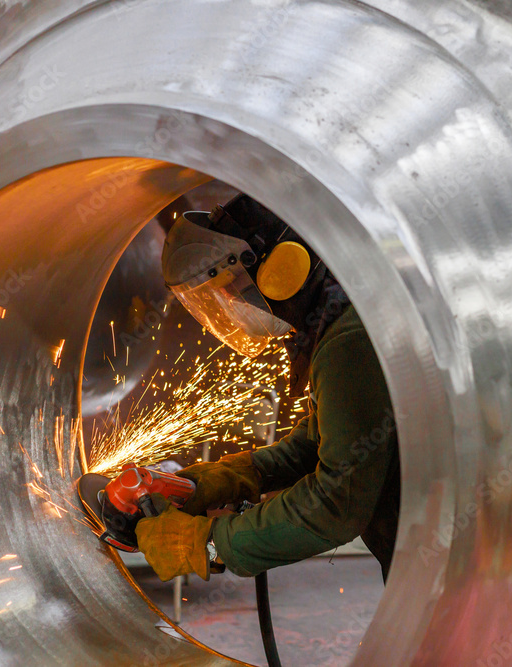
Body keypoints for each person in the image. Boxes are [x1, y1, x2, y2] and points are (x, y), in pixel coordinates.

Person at [135, 195, 401, 584]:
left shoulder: (349, 342)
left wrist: (207, 543)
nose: (228, 302)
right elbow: (317, 445)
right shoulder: (344, 318)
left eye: (229, 287)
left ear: (280, 267)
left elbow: (336, 503)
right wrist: (230, 476)